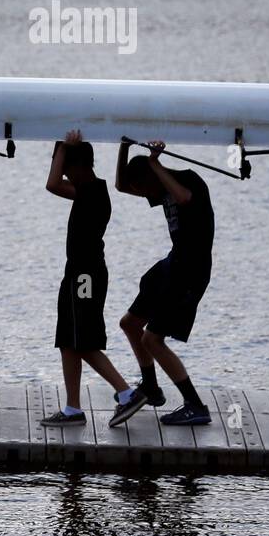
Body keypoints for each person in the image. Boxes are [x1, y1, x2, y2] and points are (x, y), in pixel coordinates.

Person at [113, 139, 215, 425]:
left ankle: (195, 405)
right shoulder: (155, 184)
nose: (144, 195)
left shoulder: (185, 181)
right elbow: (122, 186)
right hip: (173, 264)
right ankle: (151, 388)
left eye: (144, 188)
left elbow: (183, 198)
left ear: (152, 176)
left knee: (152, 339)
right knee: (130, 324)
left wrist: (154, 162)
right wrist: (125, 148)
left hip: (191, 271)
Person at [39, 131, 135, 427]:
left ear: (77, 165)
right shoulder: (88, 188)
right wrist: (63, 148)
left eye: (65, 165)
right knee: (68, 339)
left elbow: (51, 184)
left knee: (84, 341)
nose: (62, 171)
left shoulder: (91, 191)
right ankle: (73, 408)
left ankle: (126, 392)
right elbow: (57, 183)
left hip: (86, 275)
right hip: (77, 273)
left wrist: (64, 147)